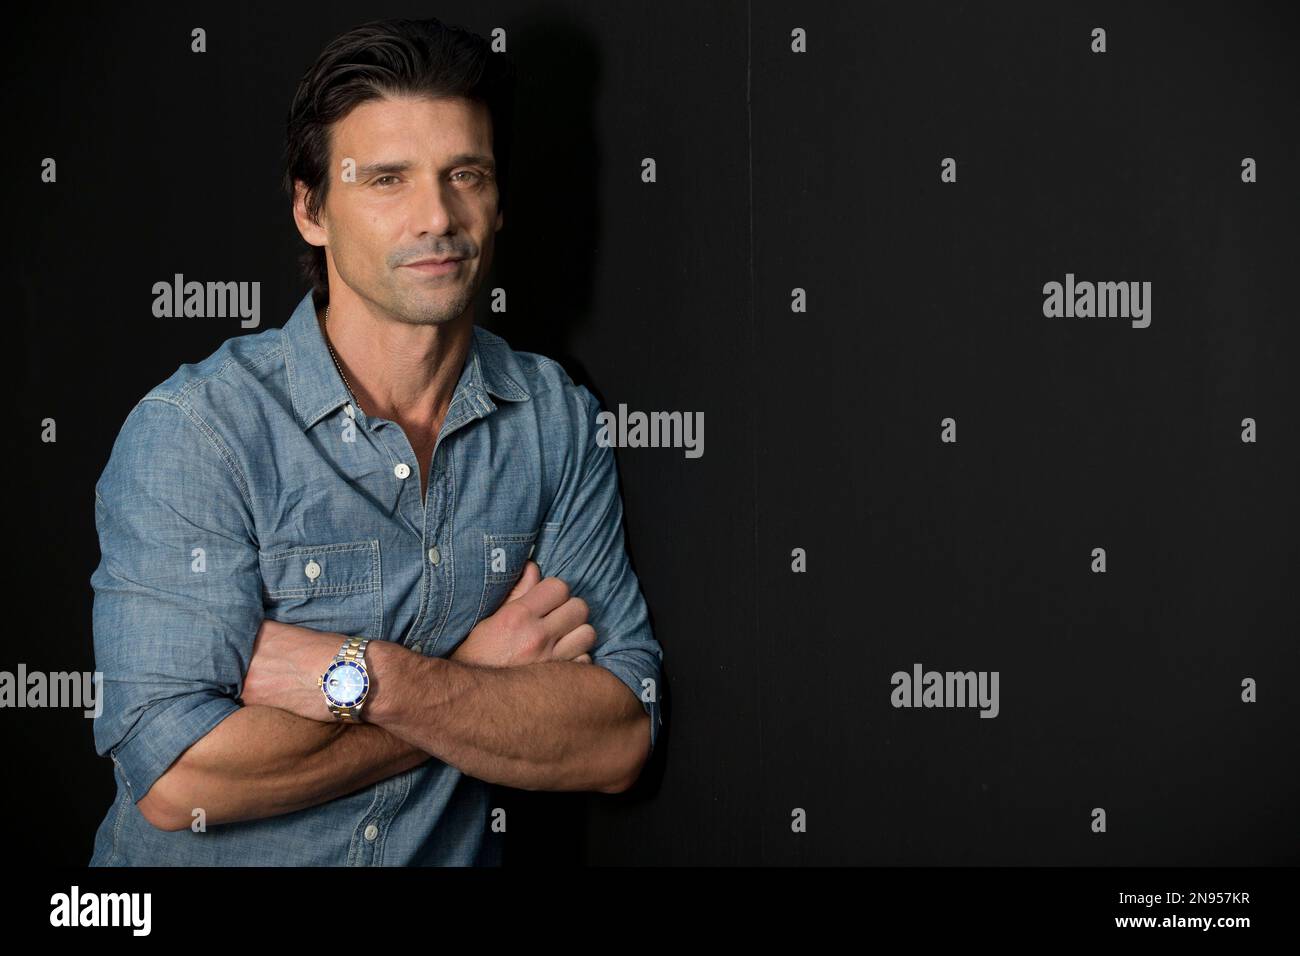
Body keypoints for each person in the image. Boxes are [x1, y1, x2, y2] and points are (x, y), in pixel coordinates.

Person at [89, 16, 663, 866]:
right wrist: (477, 672)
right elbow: (179, 781)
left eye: (464, 173)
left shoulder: (552, 417)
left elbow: (616, 735)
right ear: (311, 210)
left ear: (499, 199)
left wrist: (366, 678)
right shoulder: (199, 432)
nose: (436, 216)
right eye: (386, 179)